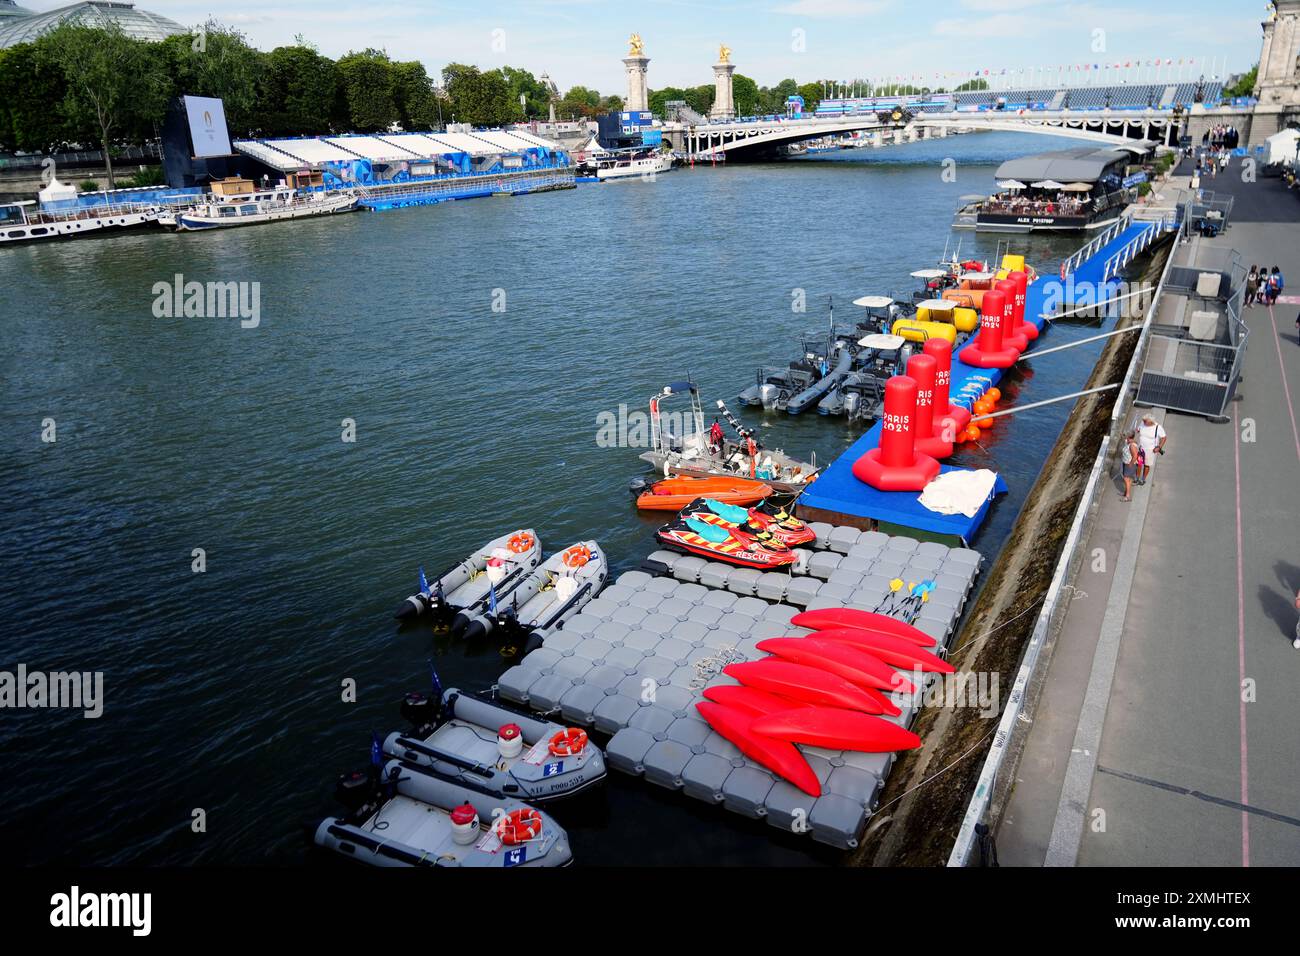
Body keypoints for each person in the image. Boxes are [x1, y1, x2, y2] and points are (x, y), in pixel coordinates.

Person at [1134, 413, 1167, 485]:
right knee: (1139, 464)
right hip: (1141, 448)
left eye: (1145, 421)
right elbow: (1139, 429)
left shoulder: (1158, 427)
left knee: (1146, 465)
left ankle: (1143, 479)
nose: (1143, 422)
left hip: (1150, 450)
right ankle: (1137, 478)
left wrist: (1159, 447)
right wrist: (1137, 430)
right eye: (1143, 420)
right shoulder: (1143, 423)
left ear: (1150, 421)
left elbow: (1164, 438)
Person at [1119, 431, 1139, 501]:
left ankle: (1127, 496)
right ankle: (1126, 493)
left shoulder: (1132, 445)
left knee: (1126, 479)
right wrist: (1122, 434)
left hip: (1129, 464)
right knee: (1128, 479)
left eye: (1126, 436)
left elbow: (1135, 456)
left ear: (1129, 437)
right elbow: (1123, 437)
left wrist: (1130, 464)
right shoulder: (1128, 441)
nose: (1125, 437)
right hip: (1126, 463)